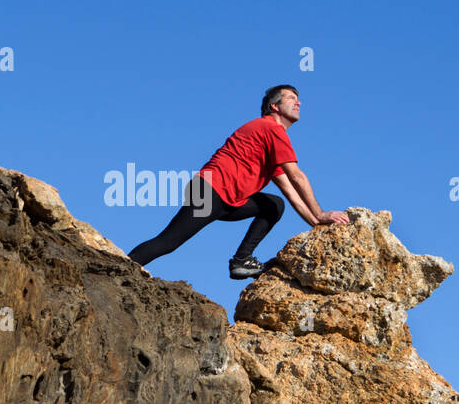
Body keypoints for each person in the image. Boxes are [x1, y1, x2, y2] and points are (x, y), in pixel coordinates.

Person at [127, 85, 351, 279]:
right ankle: (121, 266)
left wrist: (316, 224)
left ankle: (241, 261)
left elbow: (291, 193)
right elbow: (297, 176)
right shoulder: (270, 128)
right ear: (274, 106)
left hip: (227, 200)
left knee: (274, 205)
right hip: (209, 191)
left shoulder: (270, 141)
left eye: (298, 99)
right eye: (291, 98)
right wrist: (322, 214)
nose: (298, 102)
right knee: (168, 242)